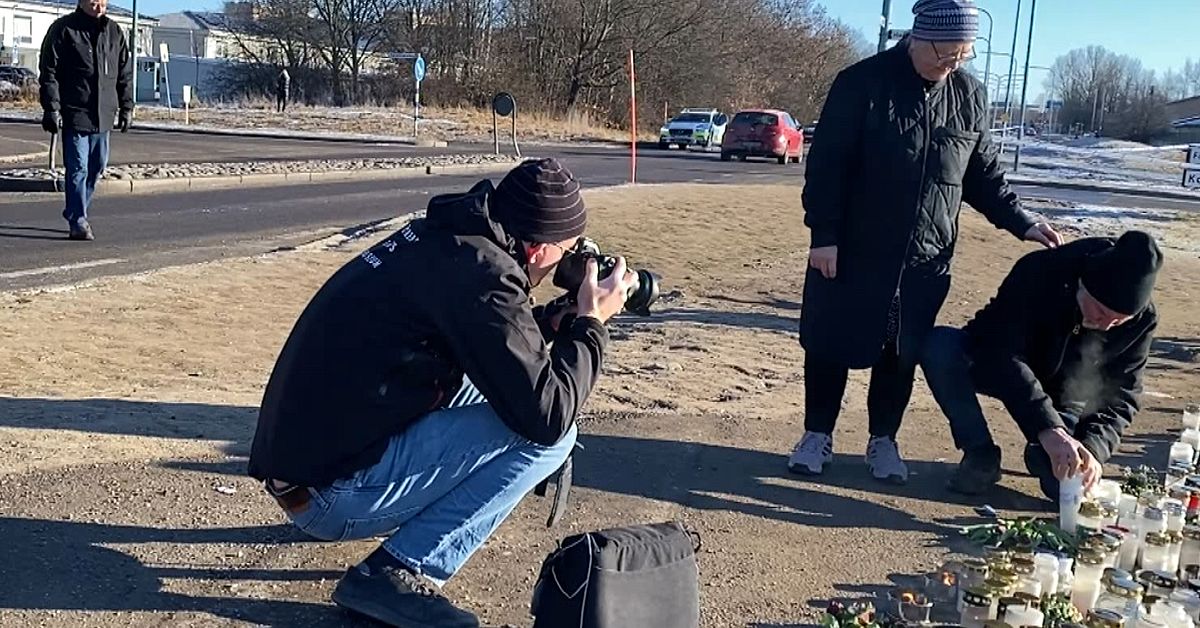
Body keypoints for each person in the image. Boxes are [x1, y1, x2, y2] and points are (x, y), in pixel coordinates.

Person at [247, 158, 635, 628]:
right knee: (550, 437)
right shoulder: (486, 279)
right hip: (326, 496)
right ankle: (397, 572)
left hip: (302, 463)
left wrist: (559, 320)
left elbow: (498, 342)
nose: (570, 261)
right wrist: (592, 325)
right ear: (536, 250)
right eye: (569, 250)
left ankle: (388, 535)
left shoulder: (452, 242)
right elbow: (547, 413)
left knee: (503, 391)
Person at [789, 0, 1063, 483]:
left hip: (924, 260)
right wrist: (824, 236)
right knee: (831, 341)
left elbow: (983, 176)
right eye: (945, 52)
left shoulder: (969, 96)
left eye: (962, 56)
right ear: (916, 37)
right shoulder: (861, 83)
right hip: (852, 251)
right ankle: (817, 434)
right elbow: (827, 166)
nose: (951, 64)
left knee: (900, 351)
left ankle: (883, 441)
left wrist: (1022, 222)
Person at [923, 231, 1162, 501]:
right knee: (939, 346)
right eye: (1101, 312)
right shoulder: (1040, 270)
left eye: (1118, 322)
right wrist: (1048, 427)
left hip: (1064, 393)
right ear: (1085, 285)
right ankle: (980, 453)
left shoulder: (1142, 321)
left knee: (1066, 490)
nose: (1105, 325)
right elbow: (1002, 352)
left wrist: (1093, 449)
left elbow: (1122, 396)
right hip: (994, 362)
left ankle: (1040, 454)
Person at [38, 0, 133, 242]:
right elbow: (49, 71)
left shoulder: (114, 32)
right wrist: (51, 108)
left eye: (103, 2)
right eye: (93, 2)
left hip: (103, 113)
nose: (99, 6)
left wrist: (127, 107)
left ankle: (73, 209)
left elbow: (124, 72)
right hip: (74, 111)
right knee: (77, 168)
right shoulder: (63, 29)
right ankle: (78, 220)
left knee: (97, 166)